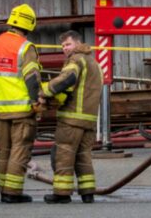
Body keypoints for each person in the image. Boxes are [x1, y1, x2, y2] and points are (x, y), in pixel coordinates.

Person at [0, 4, 44, 203]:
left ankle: (3, 190)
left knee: (4, 151)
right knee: (20, 151)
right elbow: (32, 78)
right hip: (21, 110)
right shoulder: (25, 47)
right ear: (29, 25)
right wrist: (37, 102)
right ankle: (13, 193)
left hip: (1, 109)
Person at [40, 30, 102, 204]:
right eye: (62, 46)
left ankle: (62, 194)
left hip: (72, 119)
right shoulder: (94, 63)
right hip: (89, 120)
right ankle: (87, 193)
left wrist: (43, 91)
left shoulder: (76, 59)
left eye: (67, 44)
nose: (65, 49)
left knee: (63, 155)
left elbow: (66, 80)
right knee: (83, 157)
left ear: (77, 43)